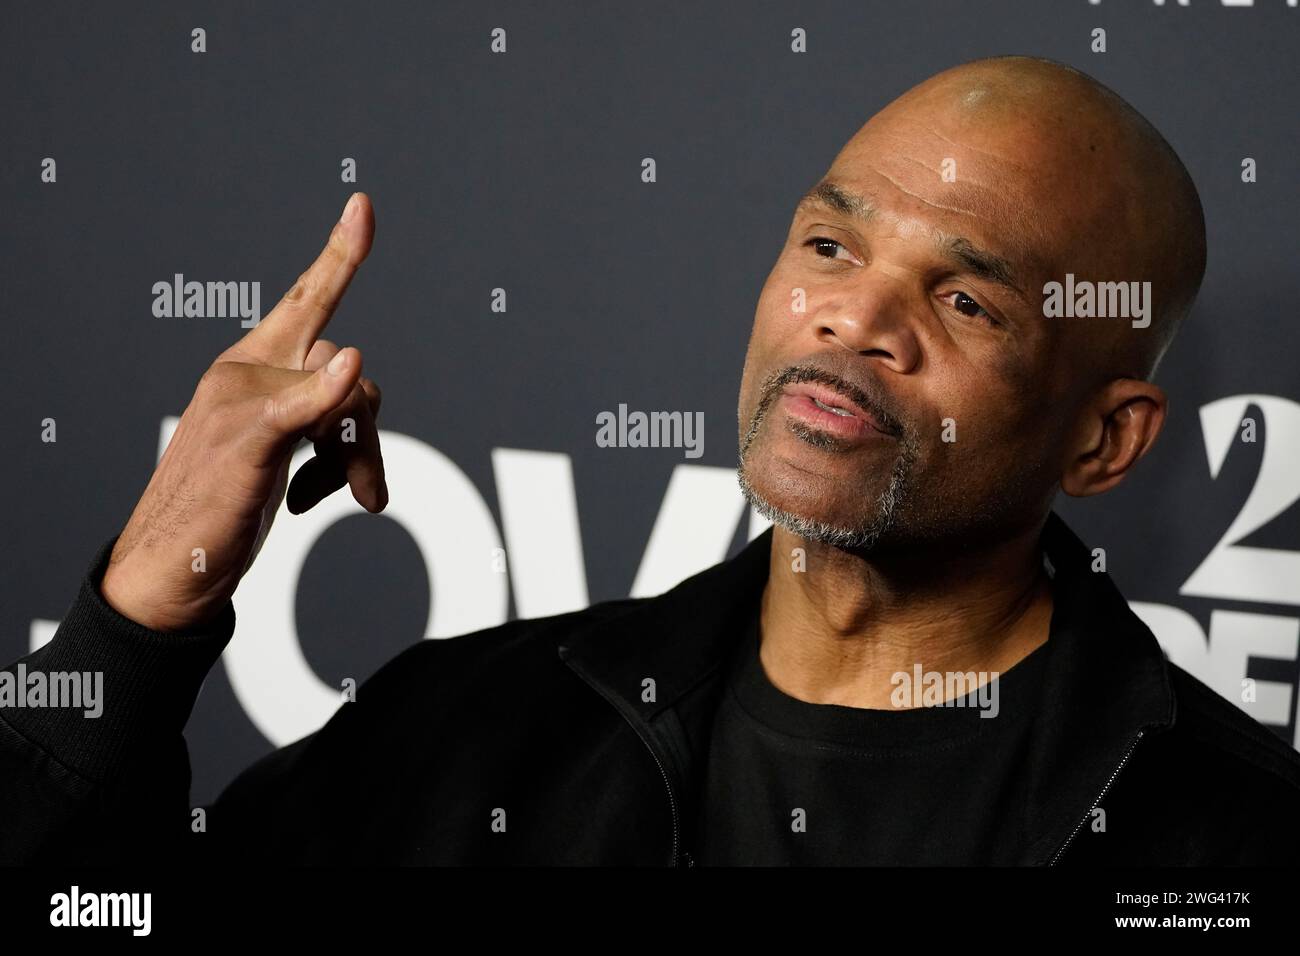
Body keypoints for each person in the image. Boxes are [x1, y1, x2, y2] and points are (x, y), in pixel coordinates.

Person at [3, 55, 1297, 866]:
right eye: (831, 248)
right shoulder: (468, 734)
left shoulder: (1228, 845)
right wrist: (139, 615)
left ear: (1103, 440)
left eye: (967, 301)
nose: (854, 319)